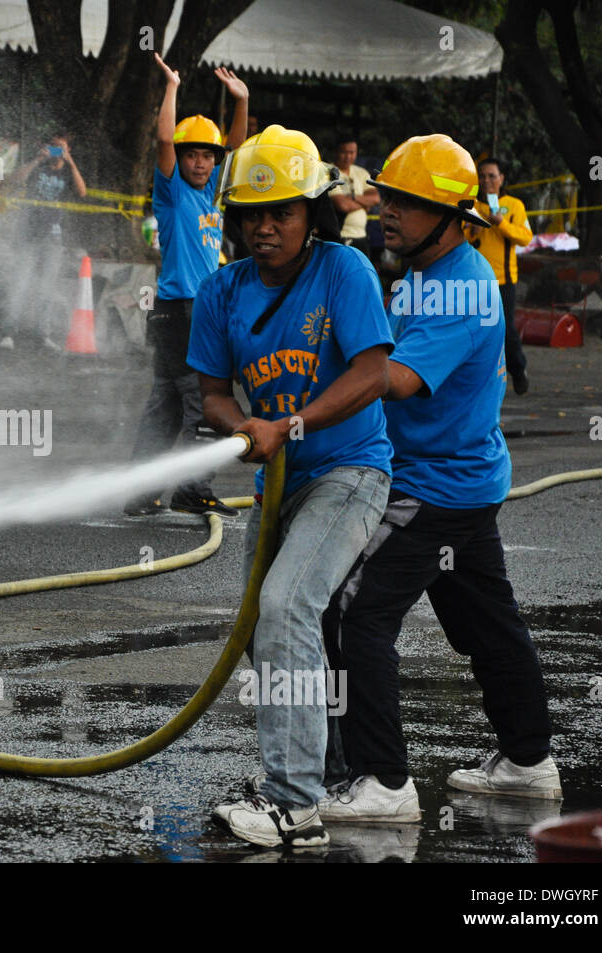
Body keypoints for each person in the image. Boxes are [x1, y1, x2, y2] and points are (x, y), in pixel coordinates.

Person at [319, 135, 560, 826]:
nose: (389, 212)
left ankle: (384, 781)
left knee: (352, 608)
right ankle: (527, 759)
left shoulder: (463, 287)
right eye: (388, 197)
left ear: (454, 216)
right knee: (486, 624)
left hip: (431, 487)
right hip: (463, 479)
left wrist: (309, 398)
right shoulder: (428, 272)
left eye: (409, 203)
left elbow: (397, 377)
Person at [190, 125, 394, 849]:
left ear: (313, 213)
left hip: (351, 471)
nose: (264, 226)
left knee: (284, 606)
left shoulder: (344, 273)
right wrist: (243, 423)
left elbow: (371, 372)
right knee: (262, 631)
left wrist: (293, 423)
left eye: (280, 211)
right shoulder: (222, 290)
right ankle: (329, 769)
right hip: (282, 481)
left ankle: (292, 803)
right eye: (250, 214)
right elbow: (211, 392)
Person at [123, 54, 248, 518]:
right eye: (192, 153)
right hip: (182, 310)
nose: (201, 162)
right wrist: (172, 86)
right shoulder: (174, 194)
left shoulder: (211, 192)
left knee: (167, 406)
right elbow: (162, 139)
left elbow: (234, 150)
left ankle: (142, 491)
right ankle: (193, 487)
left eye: (206, 156)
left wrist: (243, 101)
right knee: (207, 401)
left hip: (189, 311)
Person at [0, 132, 87, 350]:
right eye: (54, 147)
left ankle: (43, 334)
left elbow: (83, 192)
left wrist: (71, 162)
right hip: (28, 234)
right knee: (19, 284)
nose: (57, 152)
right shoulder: (37, 167)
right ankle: (8, 332)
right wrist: (38, 159)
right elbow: (14, 181)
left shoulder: (67, 173)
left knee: (47, 287)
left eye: (61, 148)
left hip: (53, 238)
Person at [464, 156, 533, 393]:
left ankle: (518, 370)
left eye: (492, 176)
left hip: (503, 279)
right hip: (474, 280)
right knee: (474, 328)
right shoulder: (471, 204)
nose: (486, 181)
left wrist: (501, 223)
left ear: (501, 178)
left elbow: (525, 237)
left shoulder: (514, 205)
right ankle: (478, 378)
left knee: (506, 329)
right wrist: (472, 231)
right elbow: (461, 240)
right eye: (482, 176)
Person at [330, 140, 378, 260]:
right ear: (336, 152)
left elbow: (376, 198)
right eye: (344, 152)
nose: (348, 156)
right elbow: (342, 205)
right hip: (341, 236)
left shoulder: (361, 173)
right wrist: (365, 203)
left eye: (352, 152)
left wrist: (352, 197)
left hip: (361, 236)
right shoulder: (329, 172)